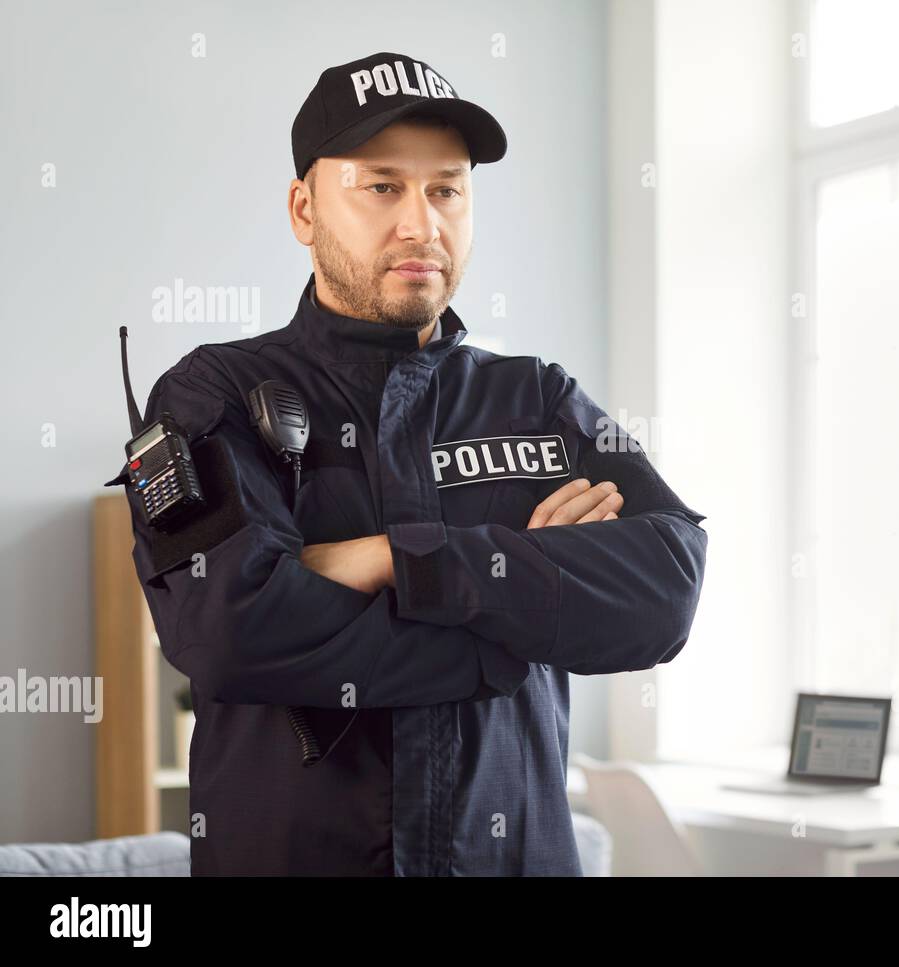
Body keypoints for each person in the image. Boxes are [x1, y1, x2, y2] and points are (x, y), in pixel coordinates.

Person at [121, 52, 708, 875]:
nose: (421, 224)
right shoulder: (212, 392)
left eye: (447, 189)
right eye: (382, 185)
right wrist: (509, 634)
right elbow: (230, 626)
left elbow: (666, 588)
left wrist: (395, 559)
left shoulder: (536, 399)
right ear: (303, 208)